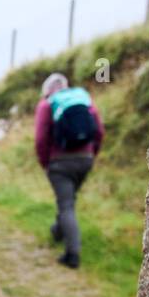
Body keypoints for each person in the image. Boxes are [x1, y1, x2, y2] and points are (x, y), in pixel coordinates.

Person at [34, 72, 104, 269]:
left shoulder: (46, 105)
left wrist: (45, 163)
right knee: (68, 201)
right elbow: (99, 131)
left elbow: (40, 139)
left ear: (47, 90)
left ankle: (72, 254)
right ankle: (57, 231)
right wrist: (92, 153)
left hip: (60, 162)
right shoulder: (85, 100)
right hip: (85, 159)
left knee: (66, 205)